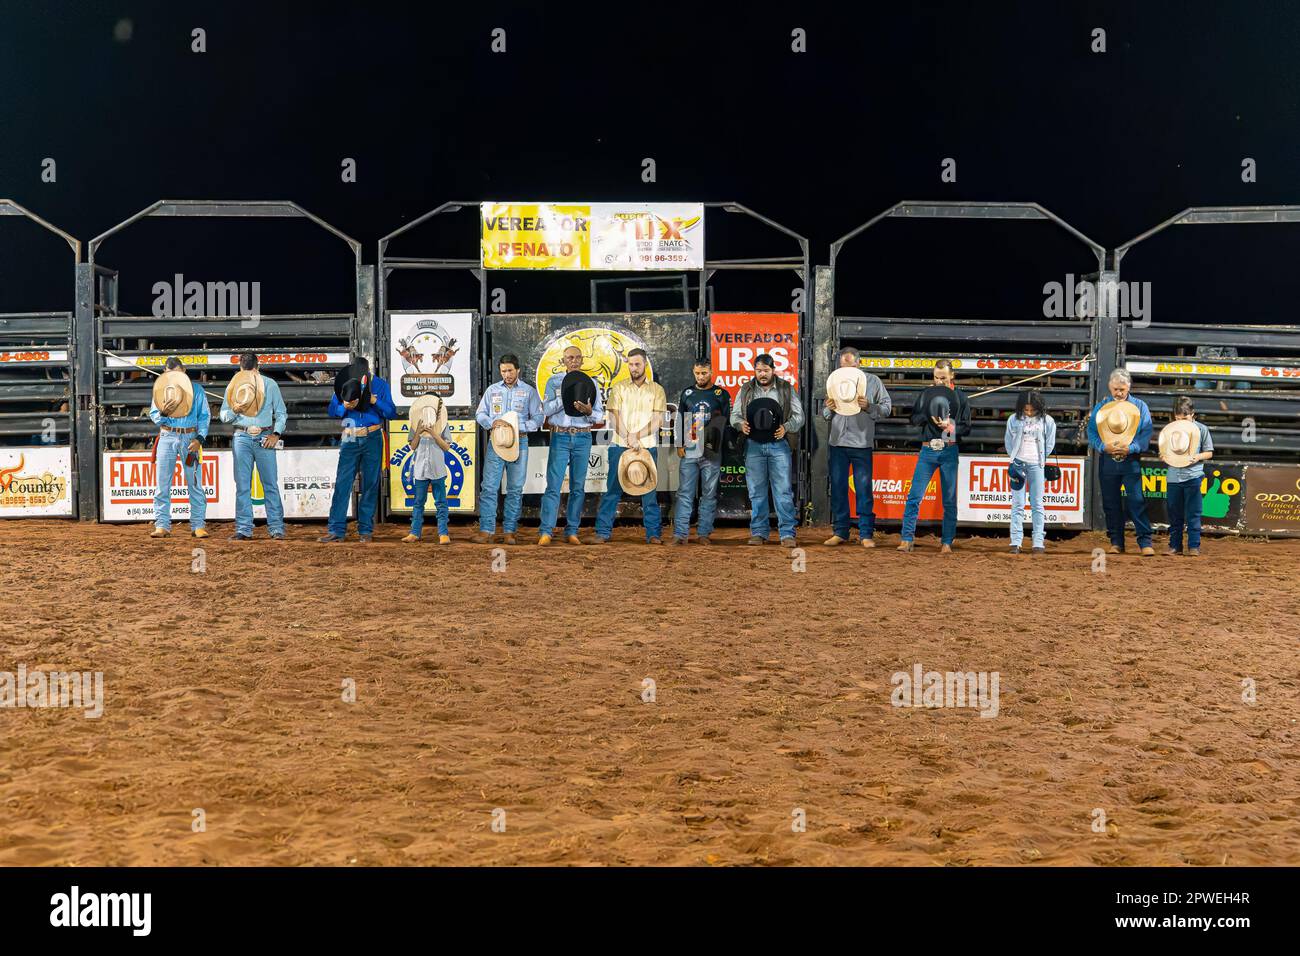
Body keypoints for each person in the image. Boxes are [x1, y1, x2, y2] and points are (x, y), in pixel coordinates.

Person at [319, 357, 397, 543]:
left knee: (370, 484)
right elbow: (332, 410)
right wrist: (342, 407)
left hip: (372, 435)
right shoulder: (344, 384)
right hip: (352, 434)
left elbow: (391, 413)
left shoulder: (380, 385)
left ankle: (364, 530)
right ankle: (337, 530)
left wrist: (374, 400)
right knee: (343, 483)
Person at [593, 348, 666, 544]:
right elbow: (613, 416)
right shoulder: (619, 388)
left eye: (637, 364)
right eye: (631, 364)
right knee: (612, 490)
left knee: (649, 493)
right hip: (619, 445)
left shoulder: (657, 390)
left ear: (645, 364)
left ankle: (653, 534)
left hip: (647, 447)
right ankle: (603, 532)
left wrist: (636, 436)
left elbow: (658, 420)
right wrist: (628, 437)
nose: (634, 368)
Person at [898, 360, 970, 554]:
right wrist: (928, 413)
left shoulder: (960, 396)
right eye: (936, 377)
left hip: (949, 448)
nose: (939, 381)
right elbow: (913, 419)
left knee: (949, 499)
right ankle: (906, 539)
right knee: (914, 496)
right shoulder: (926, 394)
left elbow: (967, 427)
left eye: (943, 378)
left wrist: (952, 426)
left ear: (951, 376)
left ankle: (947, 542)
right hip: (928, 449)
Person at [731, 353, 804, 547]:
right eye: (758, 370)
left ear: (773, 370)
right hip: (753, 444)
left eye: (766, 370)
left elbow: (799, 416)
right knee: (756, 491)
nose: (762, 374)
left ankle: (787, 534)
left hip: (779, 444)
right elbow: (734, 415)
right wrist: (740, 425)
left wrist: (786, 427)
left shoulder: (786, 389)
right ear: (754, 371)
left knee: (783, 491)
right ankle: (759, 533)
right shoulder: (746, 389)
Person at [822, 346, 892, 548]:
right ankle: (840, 531)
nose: (845, 371)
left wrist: (870, 406)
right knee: (838, 488)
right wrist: (828, 409)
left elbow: (887, 408)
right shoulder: (835, 380)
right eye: (842, 366)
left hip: (861, 443)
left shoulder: (873, 382)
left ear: (858, 363)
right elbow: (825, 414)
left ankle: (865, 533)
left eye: (849, 366)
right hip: (837, 443)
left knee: (863, 490)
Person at [537, 345, 605, 545]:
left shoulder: (591, 383)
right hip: (561, 436)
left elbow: (600, 414)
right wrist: (564, 398)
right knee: (554, 485)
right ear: (563, 361)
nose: (574, 361)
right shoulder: (554, 381)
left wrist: (588, 411)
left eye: (577, 357)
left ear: (582, 360)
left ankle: (572, 531)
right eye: (569, 358)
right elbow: (546, 410)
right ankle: (546, 531)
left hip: (583, 437)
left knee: (578, 487)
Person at [472, 354, 543, 545]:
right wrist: (492, 422)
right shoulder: (492, 390)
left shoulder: (529, 392)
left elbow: (538, 418)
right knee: (489, 487)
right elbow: (480, 413)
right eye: (503, 371)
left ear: (518, 370)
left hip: (520, 441)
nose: (507, 374)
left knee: (515, 488)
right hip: (496, 441)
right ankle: (487, 530)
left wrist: (518, 427)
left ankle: (510, 530)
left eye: (510, 370)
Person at [1086, 368, 1155, 556]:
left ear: (1129, 387)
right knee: (1111, 502)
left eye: (1122, 390)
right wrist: (1102, 447)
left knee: (1136, 500)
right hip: (1108, 459)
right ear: (1110, 386)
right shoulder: (1102, 407)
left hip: (1130, 459)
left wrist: (1130, 448)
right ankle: (1117, 542)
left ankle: (1144, 541)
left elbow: (1146, 434)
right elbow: (1091, 432)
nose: (1119, 393)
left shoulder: (1140, 407)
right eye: (1116, 389)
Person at [220, 352, 288, 541]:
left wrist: (276, 433)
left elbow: (281, 413)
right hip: (247, 435)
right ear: (258, 366)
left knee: (257, 485)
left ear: (242, 368)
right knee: (260, 484)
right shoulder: (263, 384)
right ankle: (255, 528)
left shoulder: (257, 384)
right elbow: (225, 415)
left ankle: (270, 528)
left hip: (256, 435)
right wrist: (234, 410)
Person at [148, 357, 210, 539]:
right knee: (162, 483)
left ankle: (197, 525)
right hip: (168, 435)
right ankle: (162, 525)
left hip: (189, 437)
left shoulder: (197, 390)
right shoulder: (160, 391)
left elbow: (204, 416)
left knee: (194, 483)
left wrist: (199, 438)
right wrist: (163, 414)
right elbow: (154, 415)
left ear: (183, 371)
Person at [671, 358, 730, 545]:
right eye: (697, 373)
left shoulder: (721, 394)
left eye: (704, 373)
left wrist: (719, 445)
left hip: (712, 451)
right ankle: (680, 534)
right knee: (685, 492)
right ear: (693, 372)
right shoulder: (687, 393)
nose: (701, 376)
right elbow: (680, 418)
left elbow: (726, 423)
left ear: (711, 372)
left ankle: (704, 533)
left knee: (709, 494)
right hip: (689, 448)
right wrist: (679, 443)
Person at [1004, 389, 1057, 554]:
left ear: (1038, 407)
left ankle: (1038, 542)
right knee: (1018, 504)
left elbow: (1049, 444)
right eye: (1026, 409)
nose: (1028, 412)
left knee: (1037, 504)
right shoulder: (1013, 419)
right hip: (1018, 463)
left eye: (1032, 410)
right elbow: (1008, 442)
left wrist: (1039, 459)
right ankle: (1016, 542)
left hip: (1036, 464)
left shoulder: (1047, 421)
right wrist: (1014, 458)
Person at [1161, 396, 1214, 557]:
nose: (1181, 421)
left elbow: (1209, 453)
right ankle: (1175, 546)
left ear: (1192, 414)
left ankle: (1193, 546)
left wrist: (1197, 457)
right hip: (1173, 477)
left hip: (1193, 475)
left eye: (1184, 418)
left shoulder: (1202, 429)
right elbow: (1163, 451)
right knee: (1174, 514)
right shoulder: (1170, 429)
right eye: (1178, 418)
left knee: (1193, 513)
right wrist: (1163, 456)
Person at [402, 400, 453, 545]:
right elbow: (412, 446)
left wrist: (434, 434)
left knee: (441, 502)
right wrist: (418, 431)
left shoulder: (443, 425)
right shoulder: (414, 425)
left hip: (437, 469)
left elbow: (446, 447)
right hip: (420, 469)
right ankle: (414, 532)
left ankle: (443, 533)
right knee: (418, 502)